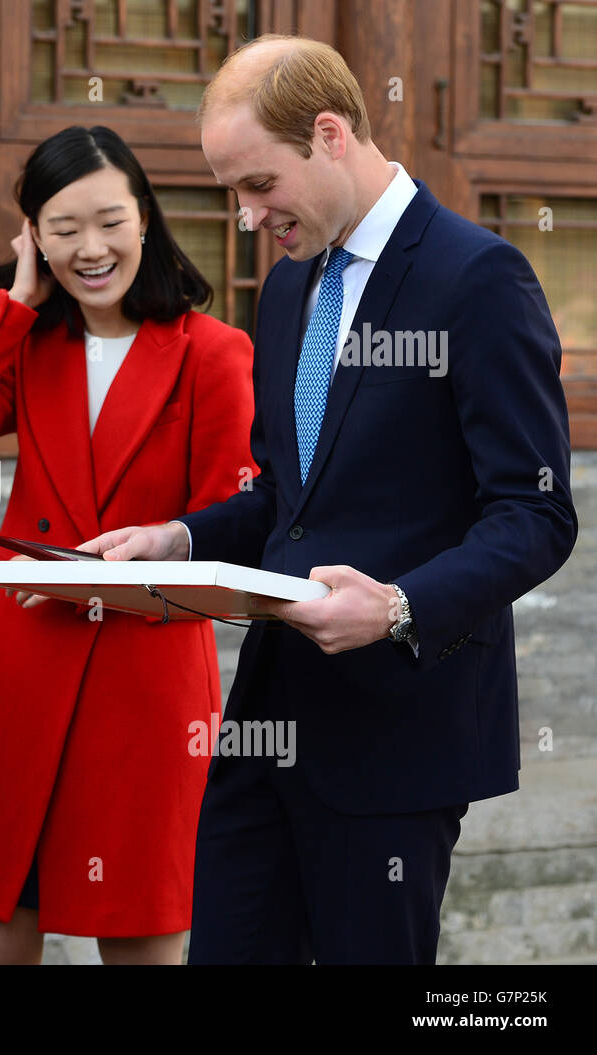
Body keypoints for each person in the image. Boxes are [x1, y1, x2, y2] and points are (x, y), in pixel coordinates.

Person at [86, 35, 578, 964]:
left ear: (329, 133)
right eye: (232, 190)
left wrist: (397, 607)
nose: (245, 214)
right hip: (268, 722)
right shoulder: (284, 291)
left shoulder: (479, 279)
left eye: (259, 184)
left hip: (400, 737)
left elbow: (538, 514)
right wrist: (179, 539)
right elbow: (287, 498)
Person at [0, 126, 256, 964]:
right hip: (18, 658)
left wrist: (134, 565)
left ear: (146, 220)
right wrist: (15, 301)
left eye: (110, 221)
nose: (91, 248)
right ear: (34, 238)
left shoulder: (214, 353)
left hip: (144, 671)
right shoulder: (30, 337)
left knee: (141, 909)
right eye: (61, 227)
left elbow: (232, 527)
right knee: (0, 888)